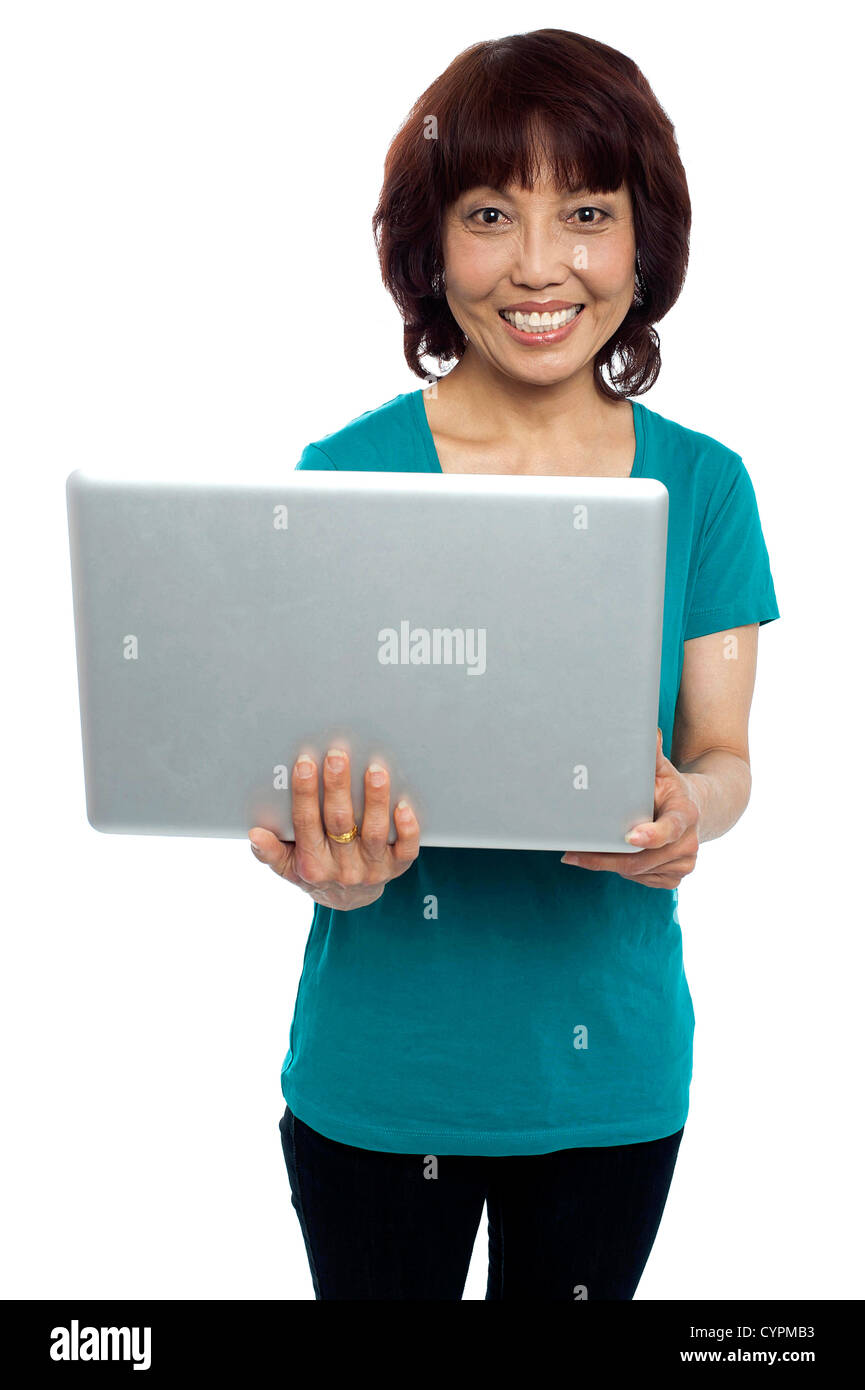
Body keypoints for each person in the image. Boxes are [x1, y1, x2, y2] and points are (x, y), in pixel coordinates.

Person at [249, 28, 780, 1300]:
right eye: (490, 213)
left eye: (587, 212)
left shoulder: (704, 486)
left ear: (641, 241)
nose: (540, 265)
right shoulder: (343, 476)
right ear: (432, 246)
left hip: (608, 1086)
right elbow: (297, 770)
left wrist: (685, 814)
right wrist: (320, 857)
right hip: (380, 1083)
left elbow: (722, 756)